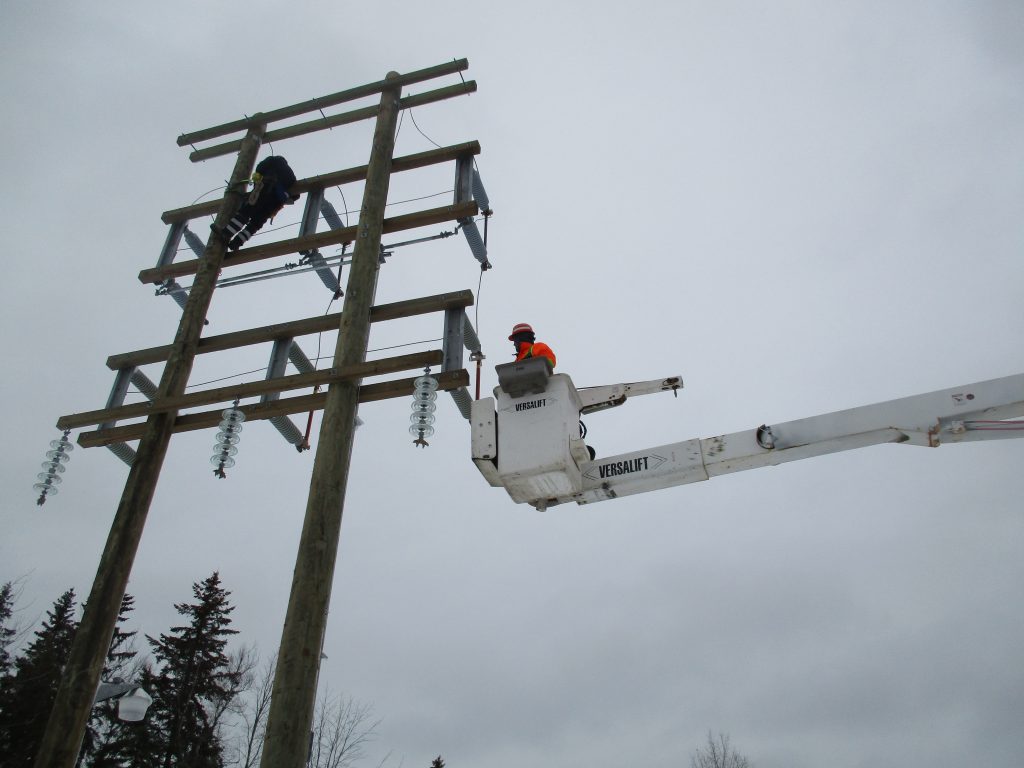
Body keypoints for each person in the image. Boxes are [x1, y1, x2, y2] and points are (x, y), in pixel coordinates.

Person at [215, 155, 299, 251]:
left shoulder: (271, 162)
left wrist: (256, 186)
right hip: (273, 205)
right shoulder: (290, 175)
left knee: (245, 213)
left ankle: (226, 233)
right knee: (255, 224)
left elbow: (258, 171)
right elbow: (296, 195)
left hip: (264, 192)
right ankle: (236, 243)